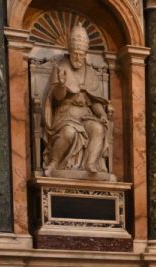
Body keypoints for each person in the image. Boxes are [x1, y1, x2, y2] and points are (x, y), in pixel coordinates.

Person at [41, 23, 111, 178]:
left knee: (98, 128)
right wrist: (61, 84)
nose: (78, 57)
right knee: (69, 132)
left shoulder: (91, 73)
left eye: (81, 54)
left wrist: (101, 115)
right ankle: (54, 162)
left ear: (85, 53)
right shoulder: (60, 68)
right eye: (75, 54)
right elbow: (57, 97)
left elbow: (95, 102)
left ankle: (90, 164)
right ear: (70, 52)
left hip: (85, 115)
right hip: (66, 114)